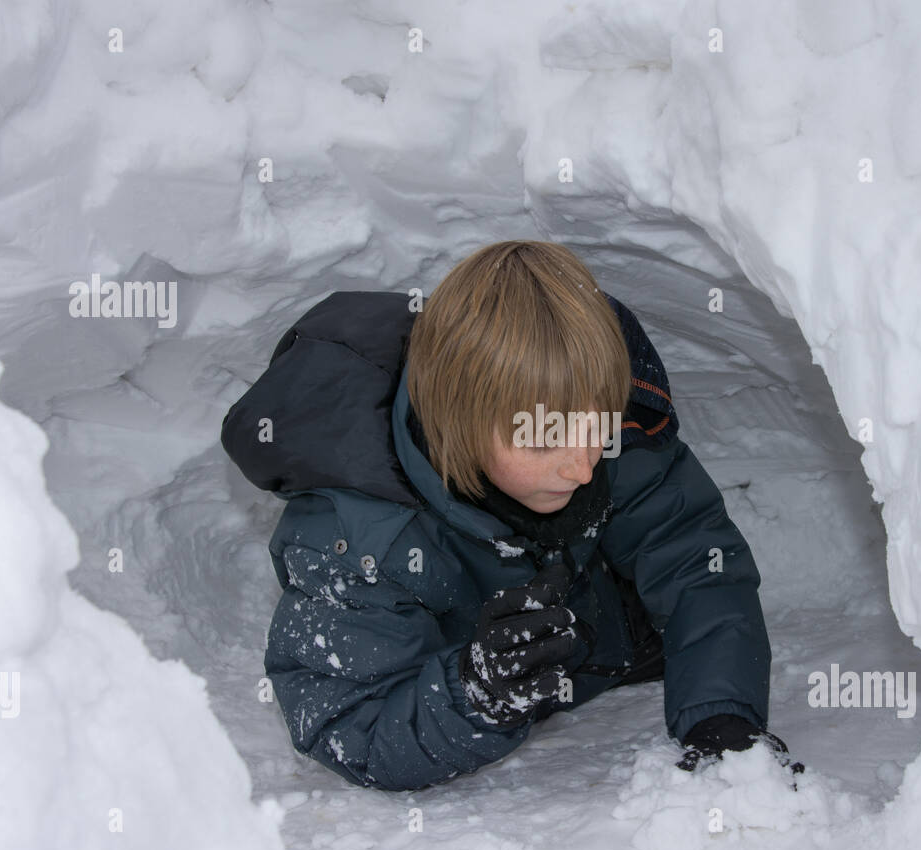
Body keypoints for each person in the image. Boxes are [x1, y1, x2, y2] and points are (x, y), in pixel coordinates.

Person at [221, 240, 804, 791]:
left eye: (595, 424)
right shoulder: (352, 538)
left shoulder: (603, 441)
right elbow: (347, 721)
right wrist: (474, 694)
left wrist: (721, 717)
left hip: (614, 643)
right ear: (462, 425)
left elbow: (697, 562)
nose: (581, 465)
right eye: (546, 439)